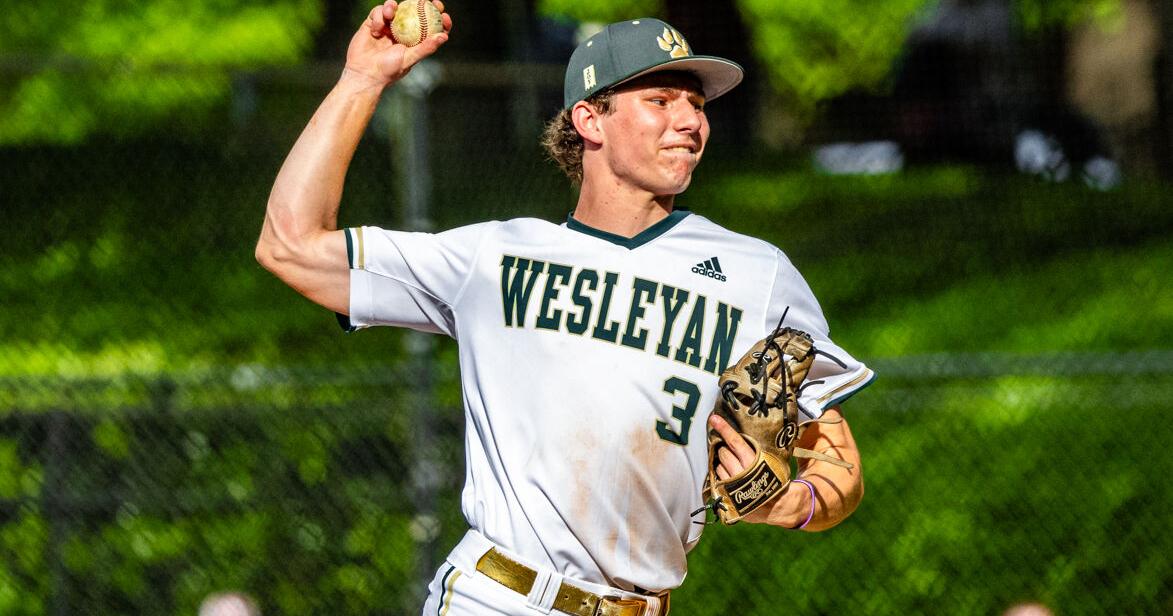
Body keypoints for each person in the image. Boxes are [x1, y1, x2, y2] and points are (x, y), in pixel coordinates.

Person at [256, 3, 875, 614]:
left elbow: (836, 462)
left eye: (698, 104)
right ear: (590, 119)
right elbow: (290, 244)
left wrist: (797, 503)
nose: (690, 119)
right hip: (497, 597)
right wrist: (363, 79)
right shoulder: (493, 259)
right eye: (660, 100)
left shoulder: (756, 276)